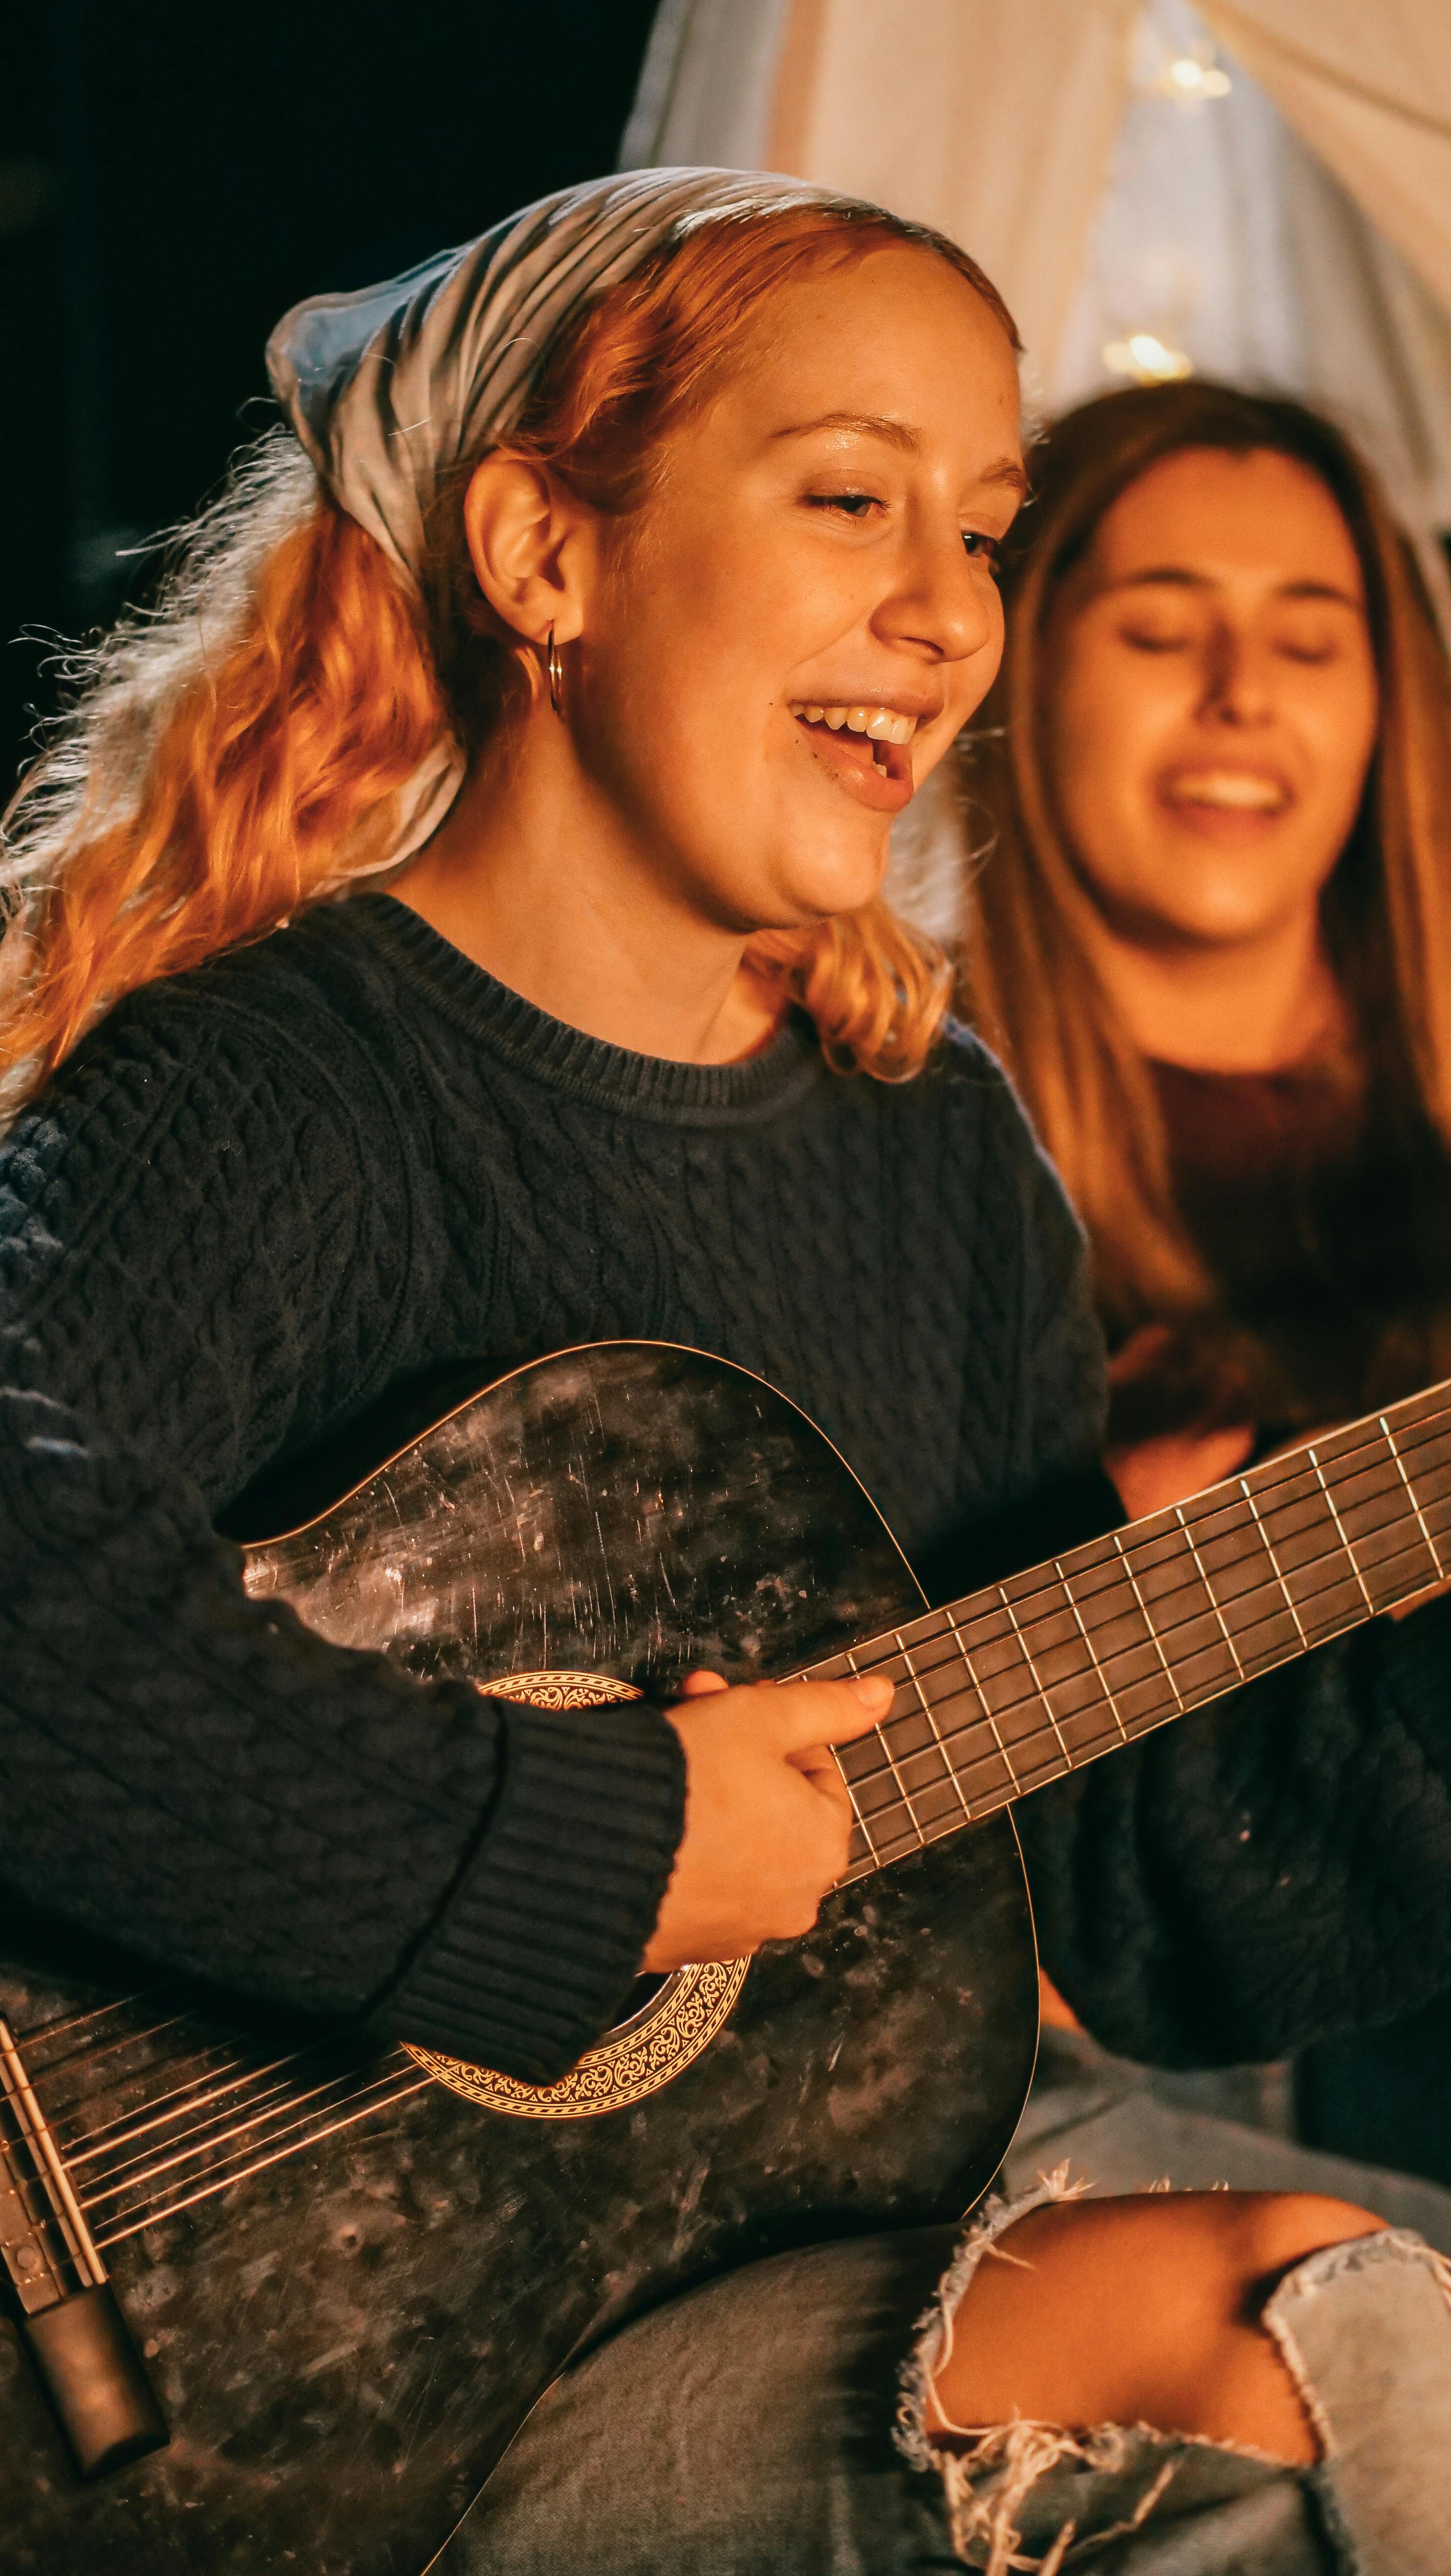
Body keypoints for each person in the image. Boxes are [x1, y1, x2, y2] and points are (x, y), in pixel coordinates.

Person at [4, 174, 1451, 2573]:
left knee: (1363, 2339)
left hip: (715, 2299)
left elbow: (1132, 1880)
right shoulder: (292, 1089)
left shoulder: (932, 1156)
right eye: (850, 497)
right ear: (543, 557)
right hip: (201, 2412)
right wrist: (577, 1849)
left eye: (983, 531)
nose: (941, 616)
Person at [959, 379, 1451, 2200]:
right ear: (1014, 671)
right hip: (1160, 2081)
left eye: (1309, 641)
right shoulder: (898, 1137)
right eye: (1161, 628)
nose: (1242, 695)